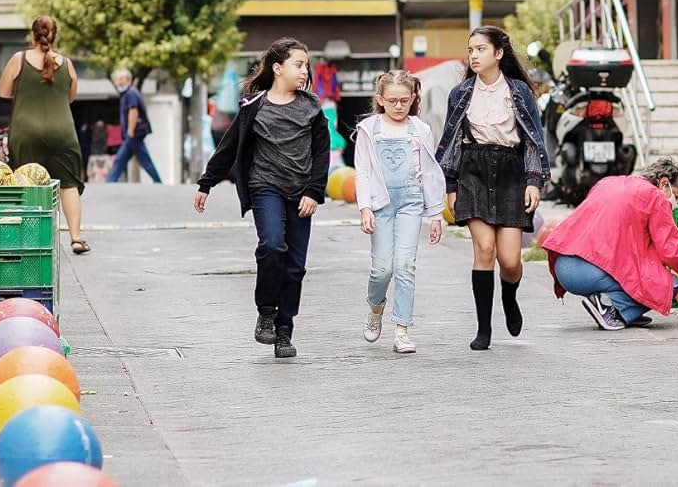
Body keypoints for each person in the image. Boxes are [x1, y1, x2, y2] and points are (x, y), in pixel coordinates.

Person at [193, 38, 330, 358]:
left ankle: (285, 331)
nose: (304, 71)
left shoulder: (311, 106)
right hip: (265, 187)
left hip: (301, 194)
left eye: (306, 65)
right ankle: (266, 311)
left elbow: (322, 153)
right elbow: (228, 147)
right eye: (299, 64)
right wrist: (206, 183)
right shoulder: (254, 106)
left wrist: (314, 191)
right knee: (272, 245)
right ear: (277, 68)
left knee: (295, 267)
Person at [435, 26, 551, 351]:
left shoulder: (519, 92)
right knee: (484, 250)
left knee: (510, 260)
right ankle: (483, 329)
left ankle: (510, 297)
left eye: (481, 49)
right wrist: (451, 185)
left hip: (511, 172)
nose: (473, 55)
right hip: (473, 170)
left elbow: (533, 139)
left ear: (498, 53)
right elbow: (453, 141)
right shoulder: (460, 94)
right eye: (470, 50)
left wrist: (534, 181)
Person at [542, 158, 678, 330]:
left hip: (563, 264)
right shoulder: (656, 197)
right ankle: (615, 309)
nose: (674, 203)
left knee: (644, 276)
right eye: (675, 196)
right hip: (589, 269)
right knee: (669, 284)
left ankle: (627, 313)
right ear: (664, 183)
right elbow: (670, 252)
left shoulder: (607, 182)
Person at [354, 70, 445, 354]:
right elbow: (363, 171)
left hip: (411, 202)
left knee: (405, 265)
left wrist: (436, 214)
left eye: (404, 100)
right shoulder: (369, 129)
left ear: (413, 98)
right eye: (392, 100)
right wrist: (365, 207)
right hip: (380, 203)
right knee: (382, 269)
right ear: (380, 99)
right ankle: (375, 307)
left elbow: (429, 173)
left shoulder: (421, 130)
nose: (398, 106)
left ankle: (402, 329)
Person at [0, 15, 90, 254]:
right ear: (55, 35)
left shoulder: (19, 59)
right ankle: (76, 238)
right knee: (68, 185)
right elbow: (71, 97)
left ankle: (27, 240)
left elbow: (4, 92)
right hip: (63, 132)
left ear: (32, 34)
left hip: (26, 131)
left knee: (26, 183)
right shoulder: (67, 63)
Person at [107, 69, 162, 184]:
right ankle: (110, 181)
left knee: (138, 159)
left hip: (134, 134)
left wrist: (130, 131)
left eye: (121, 79)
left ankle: (110, 182)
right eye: (117, 79)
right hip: (133, 134)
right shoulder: (128, 93)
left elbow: (133, 111)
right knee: (123, 159)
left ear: (129, 80)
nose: (118, 82)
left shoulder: (130, 93)